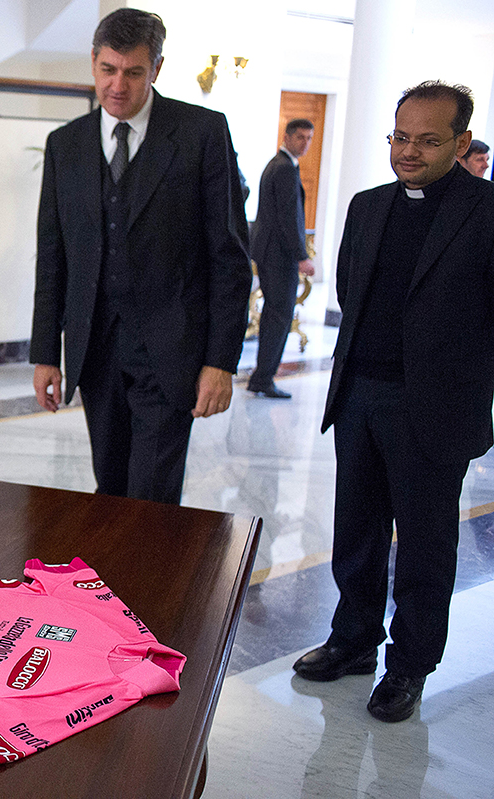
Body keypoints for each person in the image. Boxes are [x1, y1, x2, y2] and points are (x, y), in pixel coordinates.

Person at [294, 81, 494, 724]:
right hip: (361, 394)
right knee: (356, 530)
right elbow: (352, 290)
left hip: (434, 406)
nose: (409, 151)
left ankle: (409, 665)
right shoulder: (367, 205)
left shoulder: (484, 211)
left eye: (428, 140)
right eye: (400, 137)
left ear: (462, 142)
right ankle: (353, 641)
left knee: (426, 545)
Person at [30, 8, 251, 505]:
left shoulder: (202, 133)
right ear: (92, 63)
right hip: (95, 348)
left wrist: (221, 361)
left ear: (157, 68)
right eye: (108, 70)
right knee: (109, 486)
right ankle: (109, 584)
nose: (118, 85)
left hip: (171, 349)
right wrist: (46, 352)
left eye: (133, 72)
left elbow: (229, 256)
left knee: (152, 496)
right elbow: (53, 255)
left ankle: (149, 584)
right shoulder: (64, 144)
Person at [247, 119, 317, 399]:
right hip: (278, 256)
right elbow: (288, 218)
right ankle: (263, 378)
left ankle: (261, 377)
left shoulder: (279, 164)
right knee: (279, 316)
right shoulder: (284, 168)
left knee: (275, 316)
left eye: (309, 138)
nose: (305, 143)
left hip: (271, 253)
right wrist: (301, 256)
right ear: (287, 137)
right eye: (300, 137)